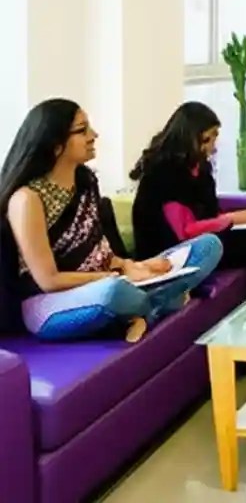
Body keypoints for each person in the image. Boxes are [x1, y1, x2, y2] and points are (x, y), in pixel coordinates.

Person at [0, 99, 223, 342]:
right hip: (50, 304)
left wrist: (131, 266)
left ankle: (141, 310)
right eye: (82, 130)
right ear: (55, 145)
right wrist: (116, 277)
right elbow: (49, 281)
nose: (93, 135)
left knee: (209, 245)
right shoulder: (26, 200)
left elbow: (99, 253)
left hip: (107, 279)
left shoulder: (85, 182)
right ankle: (154, 305)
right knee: (112, 292)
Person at [130, 102, 246, 293]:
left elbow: (209, 214)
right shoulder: (163, 174)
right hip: (171, 253)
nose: (213, 146)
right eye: (209, 138)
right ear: (192, 138)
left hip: (200, 240)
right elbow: (186, 231)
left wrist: (242, 220)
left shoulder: (200, 169)